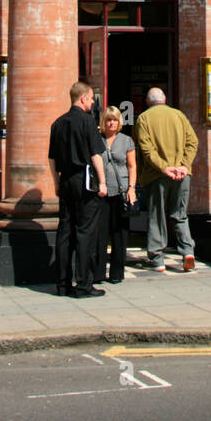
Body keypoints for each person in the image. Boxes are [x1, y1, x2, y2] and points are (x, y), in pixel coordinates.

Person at [48, 80, 108, 297]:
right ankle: (83, 284)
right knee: (85, 233)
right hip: (85, 181)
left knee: (64, 232)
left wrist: (56, 182)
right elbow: (95, 154)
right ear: (83, 98)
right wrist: (102, 182)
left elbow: (52, 159)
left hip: (65, 181)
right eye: (91, 98)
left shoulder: (58, 123)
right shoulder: (87, 122)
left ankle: (63, 284)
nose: (93, 102)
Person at [134, 87, 198, 272]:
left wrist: (164, 167)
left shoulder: (144, 119)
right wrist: (184, 165)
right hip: (181, 174)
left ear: (147, 102)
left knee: (157, 216)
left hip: (157, 176)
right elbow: (192, 141)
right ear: (165, 98)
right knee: (180, 215)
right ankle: (187, 252)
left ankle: (157, 258)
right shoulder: (179, 115)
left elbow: (147, 150)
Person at [92, 106, 137, 284]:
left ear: (120, 122)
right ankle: (98, 272)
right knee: (100, 233)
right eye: (109, 120)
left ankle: (117, 273)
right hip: (102, 192)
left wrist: (132, 188)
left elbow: (132, 165)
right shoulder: (97, 139)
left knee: (120, 233)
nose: (111, 123)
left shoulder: (126, 140)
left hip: (121, 191)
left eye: (115, 120)